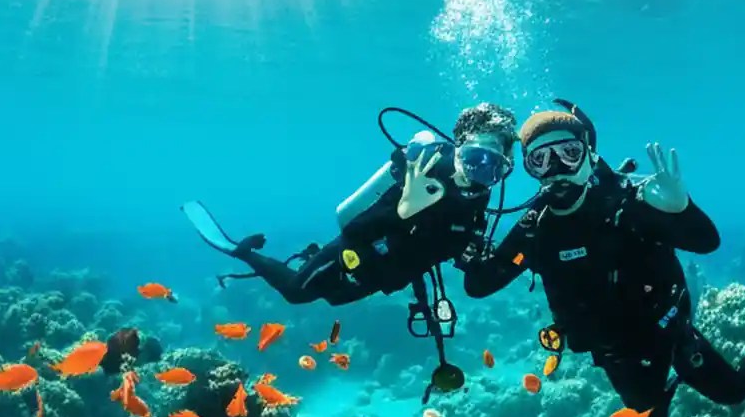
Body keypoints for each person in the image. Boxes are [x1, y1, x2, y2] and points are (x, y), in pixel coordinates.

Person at [459, 101, 745, 417]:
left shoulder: (627, 205)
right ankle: (668, 387)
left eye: (568, 153)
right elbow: (480, 285)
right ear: (529, 169)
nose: (556, 169)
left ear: (589, 155)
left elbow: (707, 242)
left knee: (733, 391)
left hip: (669, 333)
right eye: (540, 160)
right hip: (614, 354)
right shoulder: (535, 228)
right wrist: (466, 207)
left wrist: (681, 208)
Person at [183, 103, 519, 397]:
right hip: (356, 252)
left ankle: (307, 255)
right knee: (297, 292)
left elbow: (456, 243)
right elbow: (353, 227)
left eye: (494, 168)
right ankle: (241, 251)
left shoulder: (480, 195)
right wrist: (403, 210)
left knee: (333, 298)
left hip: (393, 272)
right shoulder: (424, 166)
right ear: (459, 147)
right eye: (475, 159)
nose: (481, 174)